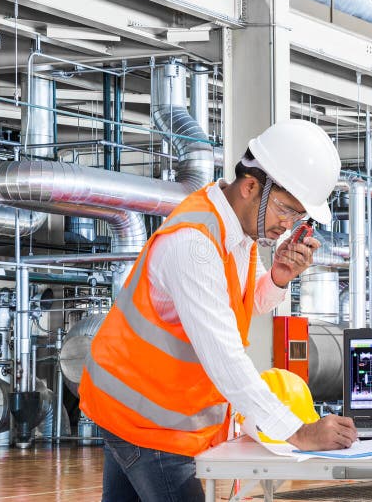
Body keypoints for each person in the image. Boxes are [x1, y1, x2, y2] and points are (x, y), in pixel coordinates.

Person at [78, 119, 357, 501]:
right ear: (251, 187)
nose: (288, 225)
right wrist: (299, 431)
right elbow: (225, 357)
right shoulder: (194, 244)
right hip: (152, 422)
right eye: (286, 210)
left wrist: (278, 276)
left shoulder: (237, 234)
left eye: (298, 218)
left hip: (137, 409)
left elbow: (246, 302)